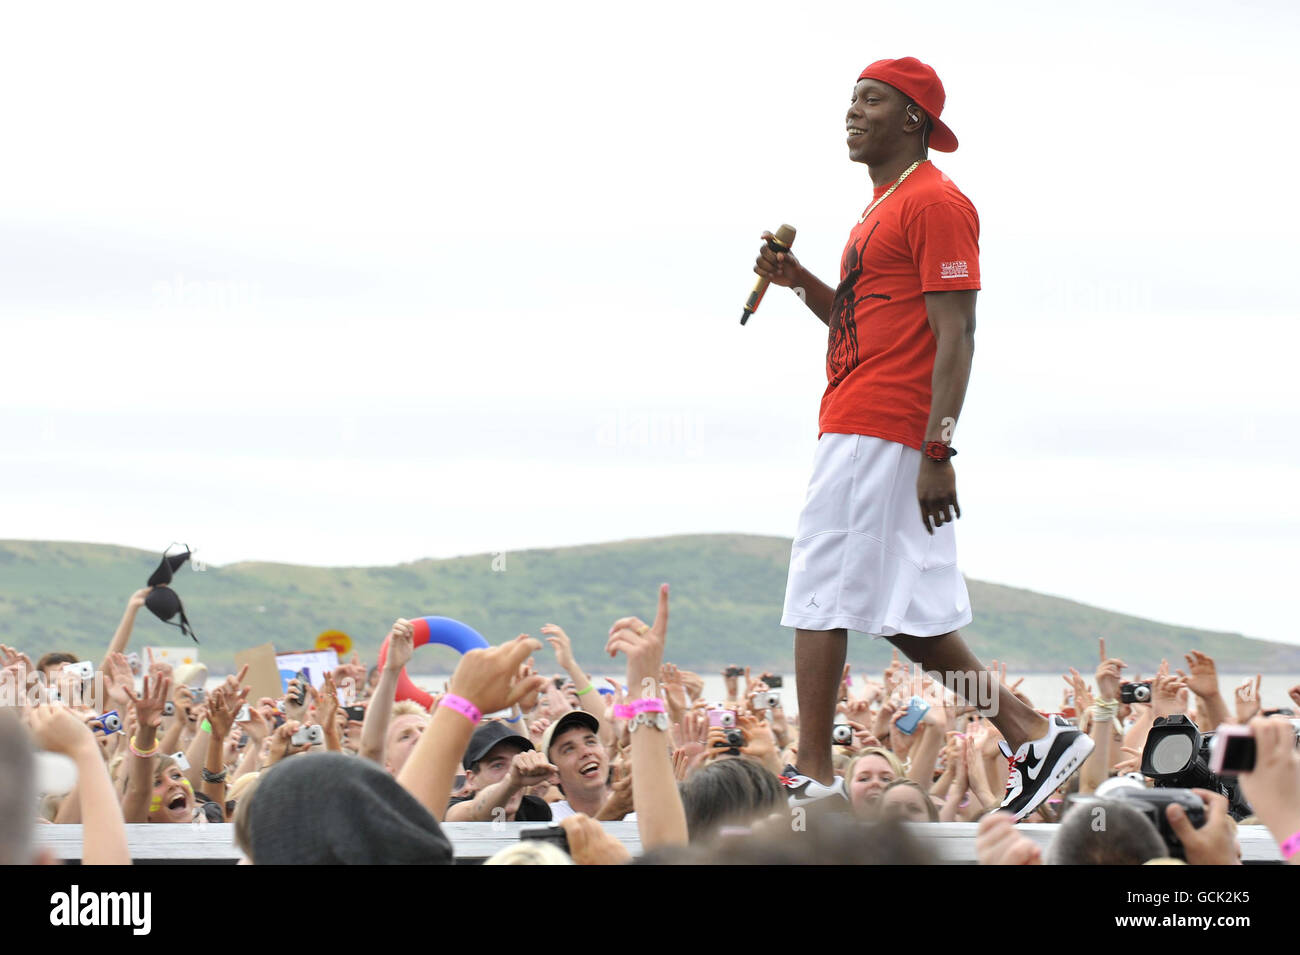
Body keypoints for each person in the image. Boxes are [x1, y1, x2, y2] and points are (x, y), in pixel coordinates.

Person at [754, 55, 1091, 818]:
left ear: (914, 118)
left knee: (816, 589)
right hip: (864, 416)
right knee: (909, 618)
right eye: (850, 98)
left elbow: (958, 331)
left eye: (870, 99)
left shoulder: (937, 201)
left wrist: (939, 448)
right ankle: (1033, 733)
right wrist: (799, 278)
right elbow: (860, 321)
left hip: (884, 425)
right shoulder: (881, 207)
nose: (852, 111)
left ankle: (813, 771)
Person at [444, 721, 554, 821]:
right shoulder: (450, 807)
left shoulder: (536, 810)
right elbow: (472, 813)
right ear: (472, 779)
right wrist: (511, 782)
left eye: (518, 763)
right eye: (498, 766)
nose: (512, 772)